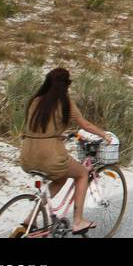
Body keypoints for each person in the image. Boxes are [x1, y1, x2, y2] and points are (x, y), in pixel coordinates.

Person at [19, 68, 113, 235]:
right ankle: (78, 221)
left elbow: (37, 129)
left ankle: (29, 220)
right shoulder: (65, 102)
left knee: (59, 179)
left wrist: (56, 135)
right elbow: (85, 125)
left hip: (26, 155)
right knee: (83, 173)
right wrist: (104, 135)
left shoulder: (35, 101)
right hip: (50, 157)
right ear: (66, 85)